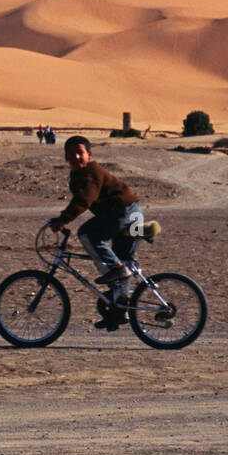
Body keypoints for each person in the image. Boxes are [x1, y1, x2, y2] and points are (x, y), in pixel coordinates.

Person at [47, 135, 145, 330]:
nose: (76, 156)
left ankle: (117, 272)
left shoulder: (92, 172)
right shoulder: (78, 176)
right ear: (65, 157)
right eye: (71, 153)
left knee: (87, 234)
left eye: (80, 152)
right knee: (122, 268)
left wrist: (63, 219)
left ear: (89, 154)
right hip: (129, 215)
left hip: (125, 213)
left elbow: (84, 200)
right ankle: (119, 311)